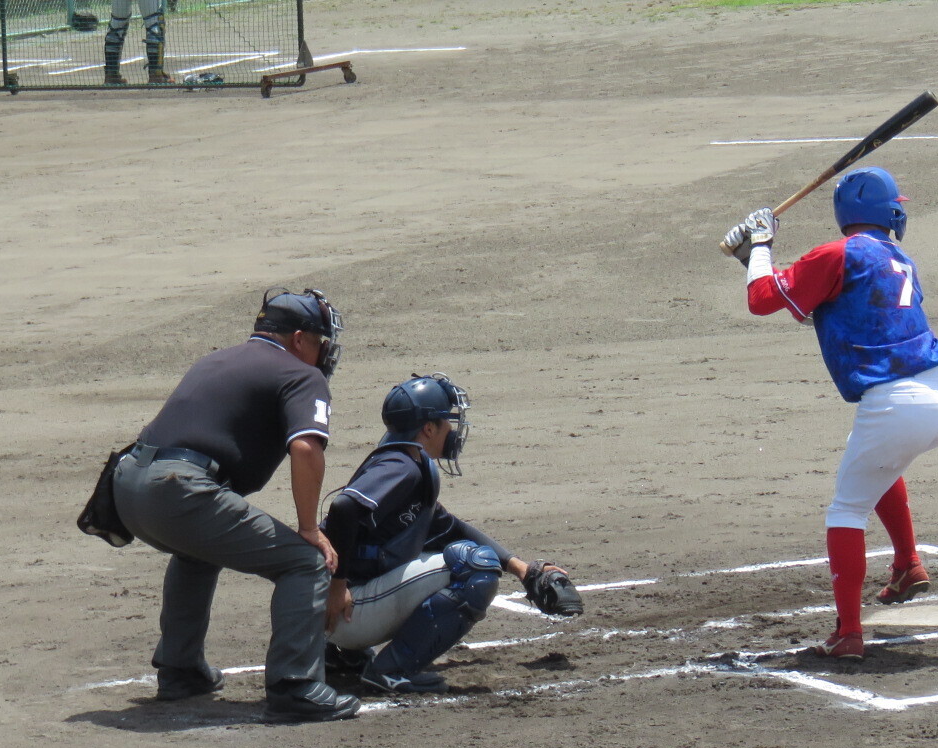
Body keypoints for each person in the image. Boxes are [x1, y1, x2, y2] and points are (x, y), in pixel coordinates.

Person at [722, 168, 938, 661]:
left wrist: (759, 245)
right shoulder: (896, 258)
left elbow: (762, 300)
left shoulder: (836, 254)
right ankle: (907, 565)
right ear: (885, 212)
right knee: (879, 465)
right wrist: (753, 255)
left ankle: (848, 635)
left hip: (901, 404)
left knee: (846, 509)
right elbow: (797, 292)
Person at [107, 288, 360, 723]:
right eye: (319, 342)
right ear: (299, 339)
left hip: (128, 485)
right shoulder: (301, 374)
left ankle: (181, 670)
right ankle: (296, 687)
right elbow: (305, 449)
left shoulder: (216, 359)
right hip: (177, 487)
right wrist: (308, 529)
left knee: (198, 551)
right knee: (305, 562)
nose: (323, 353)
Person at [320, 373, 583, 694]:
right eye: (447, 421)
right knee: (477, 566)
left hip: (329, 611)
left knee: (452, 552)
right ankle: (391, 671)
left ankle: (342, 656)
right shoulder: (400, 466)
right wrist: (337, 587)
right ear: (428, 429)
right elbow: (344, 509)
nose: (453, 430)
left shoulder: (410, 462)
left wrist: (523, 570)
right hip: (341, 609)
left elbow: (448, 528)